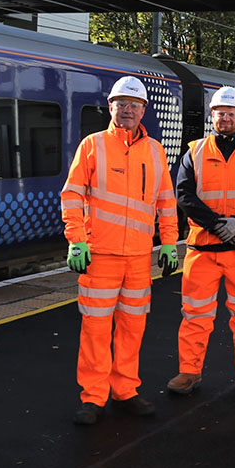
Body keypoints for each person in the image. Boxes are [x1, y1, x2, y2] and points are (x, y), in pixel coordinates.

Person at [61, 75, 179, 426]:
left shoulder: (155, 150)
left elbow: (166, 201)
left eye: (134, 105)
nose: (127, 110)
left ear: (144, 110)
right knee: (96, 329)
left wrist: (170, 243)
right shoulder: (93, 145)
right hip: (100, 255)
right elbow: (72, 194)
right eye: (121, 104)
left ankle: (125, 390)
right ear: (110, 107)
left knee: (132, 326)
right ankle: (93, 397)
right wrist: (76, 239)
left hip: (139, 258)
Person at [168, 86, 235, 396]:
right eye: (220, 113)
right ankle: (188, 372)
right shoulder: (195, 150)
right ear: (212, 116)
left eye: (231, 113)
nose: (225, 117)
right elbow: (184, 194)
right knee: (195, 314)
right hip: (204, 246)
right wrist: (217, 224)